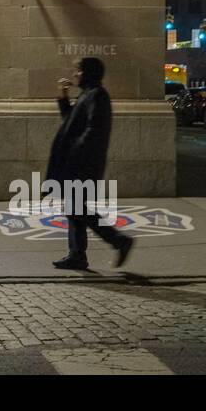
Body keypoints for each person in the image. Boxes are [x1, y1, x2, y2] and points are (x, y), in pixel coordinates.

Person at [46, 57, 134, 271]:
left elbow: (94, 130)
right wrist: (63, 97)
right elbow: (71, 121)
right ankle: (78, 255)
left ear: (87, 72)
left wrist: (74, 152)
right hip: (77, 163)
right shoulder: (87, 94)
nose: (74, 74)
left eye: (78, 70)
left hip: (81, 164)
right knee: (74, 208)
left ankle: (118, 240)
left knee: (77, 208)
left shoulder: (97, 95)